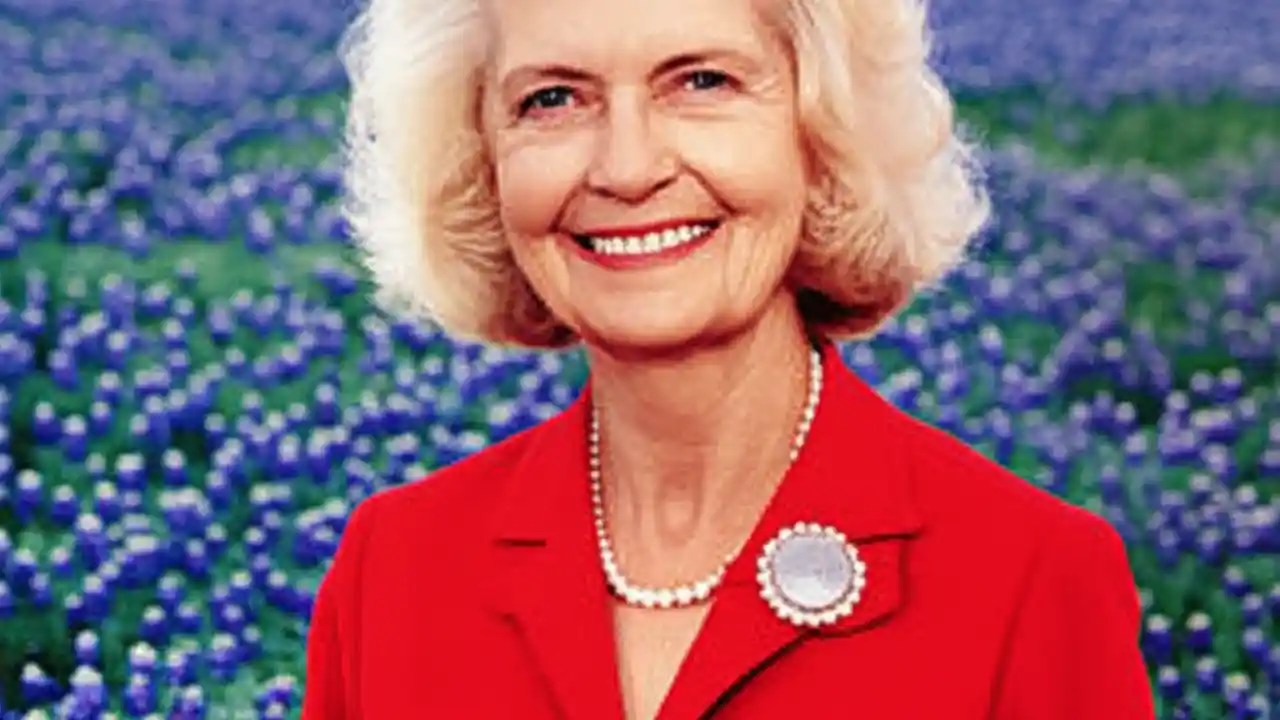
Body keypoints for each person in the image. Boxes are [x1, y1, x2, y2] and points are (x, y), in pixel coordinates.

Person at [302, 0, 1155, 717]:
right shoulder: (396, 571)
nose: (628, 168)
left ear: (821, 137)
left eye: (702, 82)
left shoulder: (1031, 579)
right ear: (479, 161)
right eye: (554, 99)